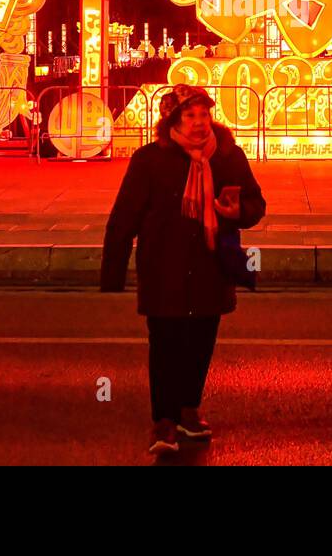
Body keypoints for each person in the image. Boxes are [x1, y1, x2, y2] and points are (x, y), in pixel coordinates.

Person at [100, 84, 266, 456]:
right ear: (172, 121)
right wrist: (112, 274)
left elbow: (256, 203)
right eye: (189, 116)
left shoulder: (227, 156)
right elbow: (125, 217)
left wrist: (237, 212)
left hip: (211, 268)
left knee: (201, 342)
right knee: (165, 345)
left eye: (204, 115)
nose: (198, 123)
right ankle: (164, 420)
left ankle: (189, 410)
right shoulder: (150, 160)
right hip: (164, 268)